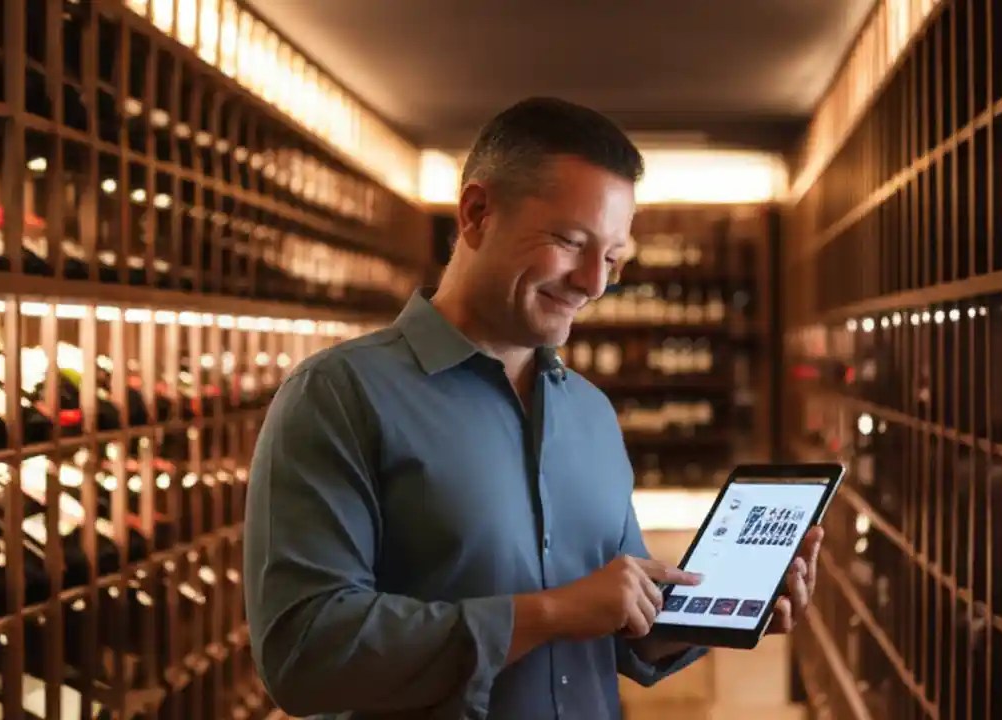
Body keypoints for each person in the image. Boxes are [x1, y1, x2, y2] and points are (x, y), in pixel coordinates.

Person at [242, 97, 824, 719]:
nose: (594, 284)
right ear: (476, 214)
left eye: (612, 259)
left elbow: (621, 628)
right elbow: (302, 657)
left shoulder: (591, 414)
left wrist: (720, 611)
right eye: (571, 243)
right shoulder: (338, 395)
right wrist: (550, 613)